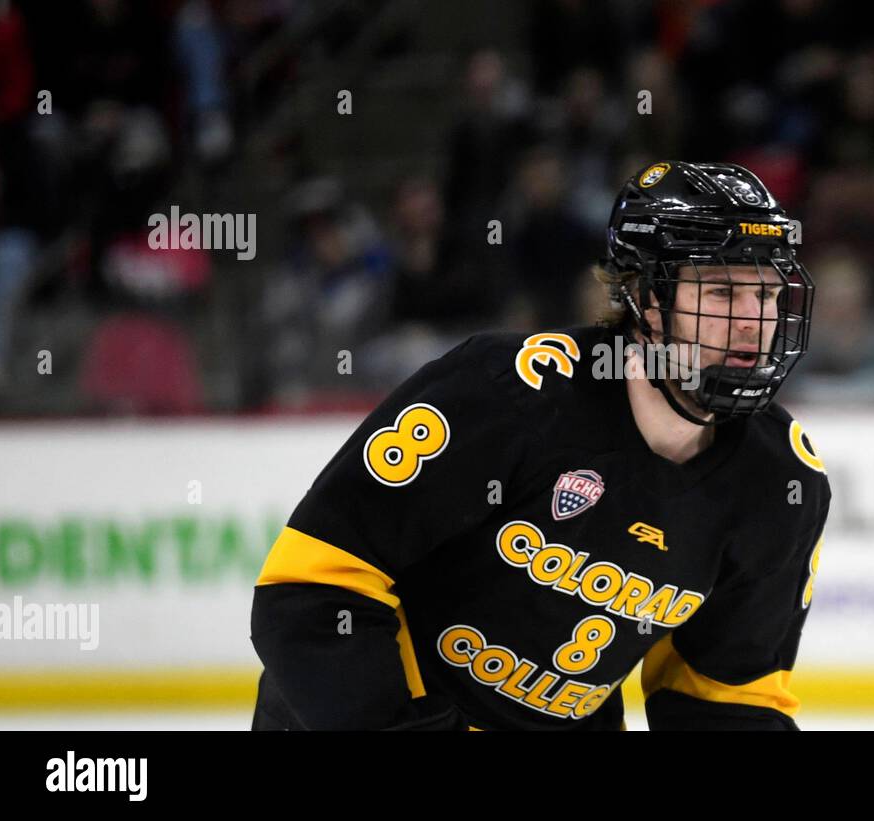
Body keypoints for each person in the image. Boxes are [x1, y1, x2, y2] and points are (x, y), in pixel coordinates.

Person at [250, 161, 831, 730]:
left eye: (767, 295)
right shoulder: (505, 393)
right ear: (649, 298)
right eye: (724, 293)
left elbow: (724, 699)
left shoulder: (779, 480)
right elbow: (313, 592)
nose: (755, 321)